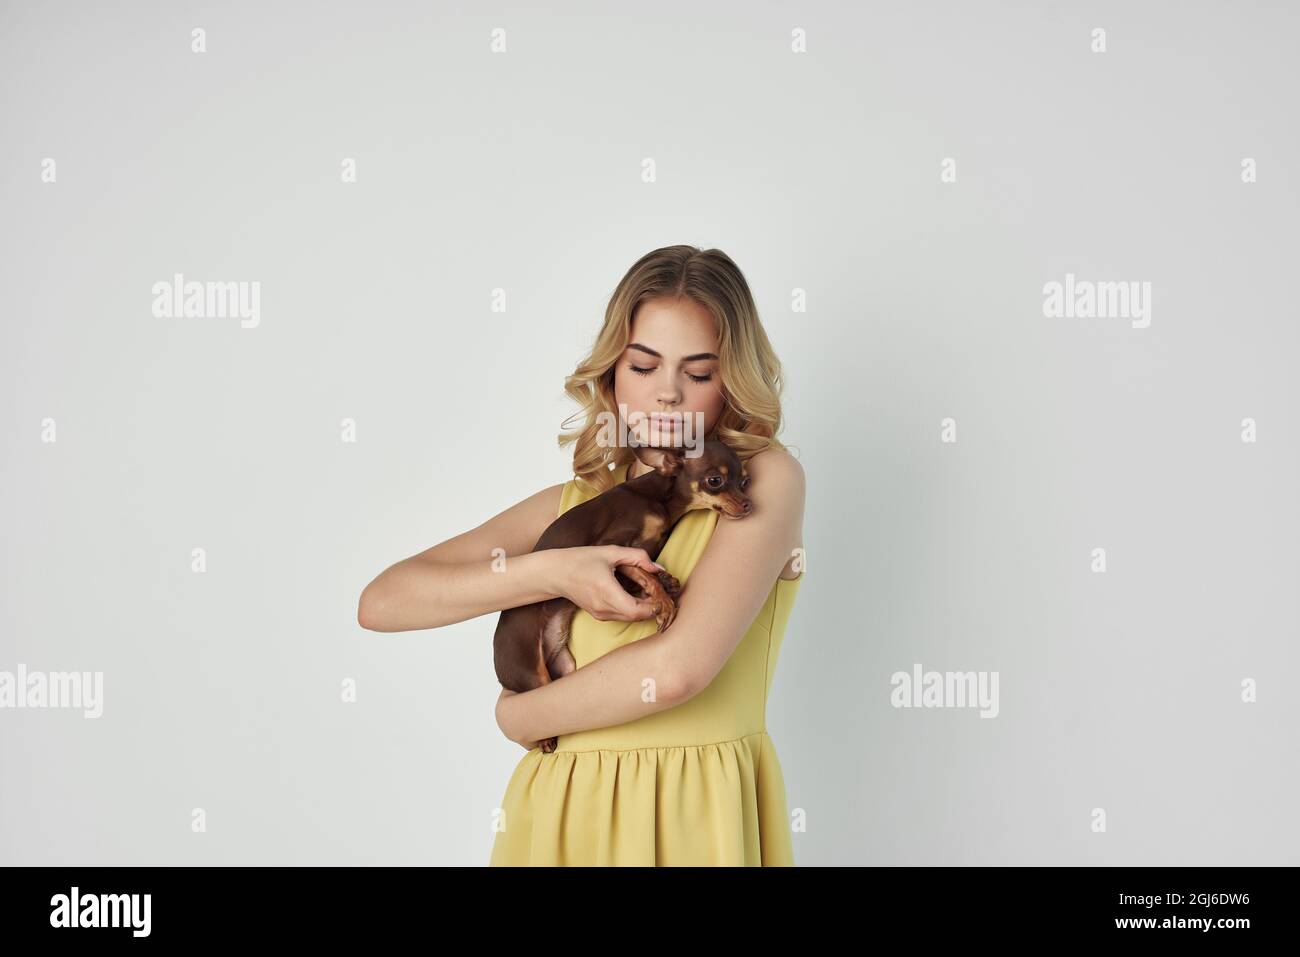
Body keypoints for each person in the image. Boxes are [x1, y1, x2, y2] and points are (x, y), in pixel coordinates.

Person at [358, 244, 806, 865]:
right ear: (612, 372)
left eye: (698, 373)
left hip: (695, 813)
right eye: (644, 366)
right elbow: (383, 602)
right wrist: (554, 570)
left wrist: (519, 717)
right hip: (560, 820)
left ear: (734, 381)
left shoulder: (764, 483)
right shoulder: (572, 508)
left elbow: (678, 672)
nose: (668, 395)